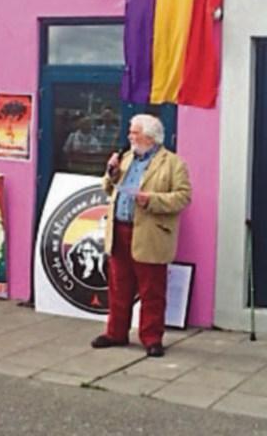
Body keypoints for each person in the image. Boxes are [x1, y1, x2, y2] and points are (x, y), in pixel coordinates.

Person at [91, 114, 192, 357]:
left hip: (150, 234)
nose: (129, 136)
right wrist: (111, 172)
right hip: (120, 230)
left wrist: (152, 201)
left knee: (152, 290)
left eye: (134, 133)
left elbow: (183, 197)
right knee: (118, 287)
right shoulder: (125, 158)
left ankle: (151, 338)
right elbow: (107, 188)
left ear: (149, 136)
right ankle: (116, 332)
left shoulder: (172, 163)